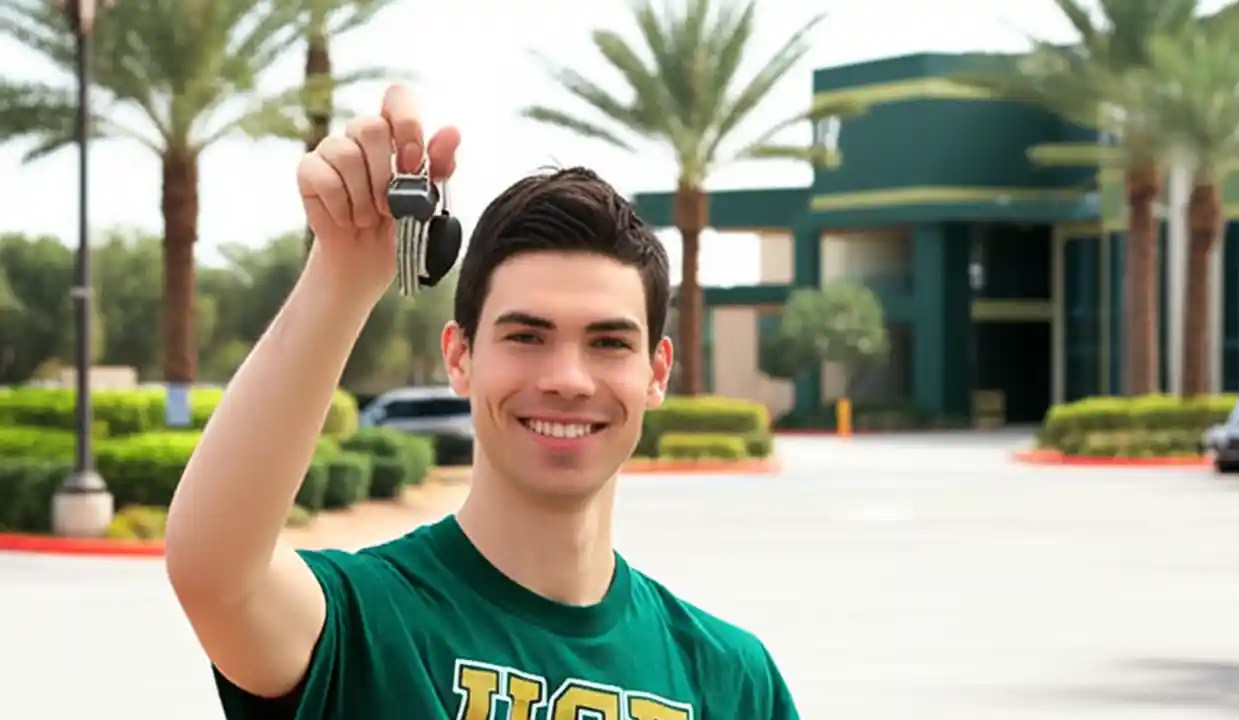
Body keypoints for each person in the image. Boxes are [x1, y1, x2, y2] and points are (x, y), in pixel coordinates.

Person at [164, 83, 800, 720]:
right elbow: (217, 575)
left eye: (608, 342)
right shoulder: (372, 625)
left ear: (656, 372)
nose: (568, 379)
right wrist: (344, 271)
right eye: (527, 336)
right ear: (460, 357)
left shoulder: (731, 680)